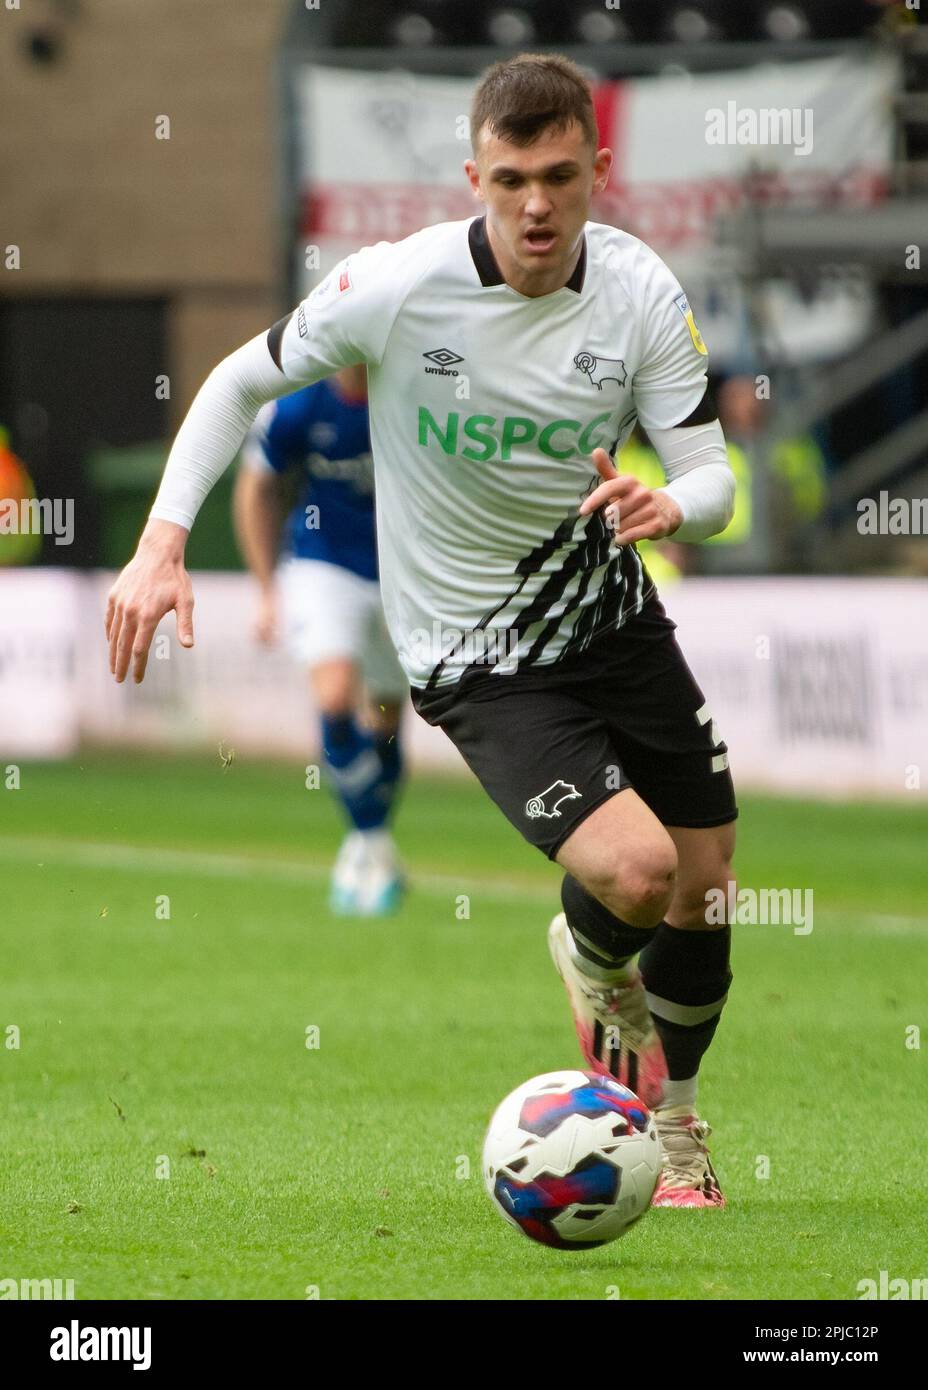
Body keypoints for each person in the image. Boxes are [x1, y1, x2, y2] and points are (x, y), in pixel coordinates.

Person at [106, 53, 737, 1208]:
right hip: (475, 652)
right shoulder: (396, 287)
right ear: (474, 178)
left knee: (704, 886)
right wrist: (160, 539)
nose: (535, 205)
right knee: (637, 874)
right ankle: (596, 961)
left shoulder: (644, 291)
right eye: (509, 180)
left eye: (557, 176)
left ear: (599, 169)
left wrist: (671, 504)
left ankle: (680, 1120)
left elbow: (709, 476)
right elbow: (237, 383)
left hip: (614, 620)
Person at [233, 364, 406, 915]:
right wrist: (265, 588)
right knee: (334, 700)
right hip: (320, 564)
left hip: (402, 575)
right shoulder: (297, 407)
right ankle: (373, 842)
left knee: (385, 717)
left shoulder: (412, 394)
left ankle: (366, 845)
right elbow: (255, 488)